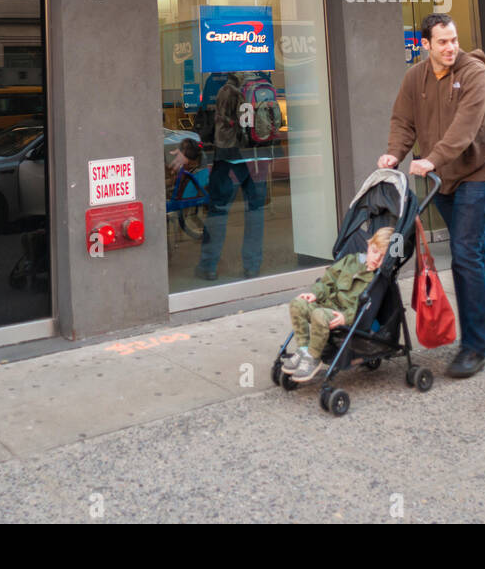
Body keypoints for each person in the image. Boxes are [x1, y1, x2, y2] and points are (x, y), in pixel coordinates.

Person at [379, 13, 485, 378]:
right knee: (478, 254)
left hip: (478, 174)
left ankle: (475, 346)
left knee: (465, 253)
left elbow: (464, 128)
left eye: (453, 39)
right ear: (426, 44)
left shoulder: (475, 74)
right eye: (442, 42)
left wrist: (431, 159)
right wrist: (395, 152)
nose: (451, 47)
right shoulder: (414, 78)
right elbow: (403, 121)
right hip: (442, 179)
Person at [282, 227, 394, 383]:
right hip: (328, 304)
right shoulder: (350, 261)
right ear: (368, 246)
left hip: (342, 315)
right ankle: (303, 349)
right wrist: (315, 294)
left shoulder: (378, 279)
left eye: (382, 257)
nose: (376, 258)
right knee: (297, 303)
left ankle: (313, 358)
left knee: (319, 314)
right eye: (374, 251)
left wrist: (346, 318)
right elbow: (328, 280)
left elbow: (366, 309)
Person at [196, 72, 268, 281]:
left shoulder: (219, 84)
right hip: (255, 157)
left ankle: (208, 266)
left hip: (227, 156)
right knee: (255, 211)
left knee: (218, 210)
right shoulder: (263, 79)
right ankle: (252, 266)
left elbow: (208, 123)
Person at [166, 139, 209, 243]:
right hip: (193, 194)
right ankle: (205, 234)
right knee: (191, 216)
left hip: (182, 198)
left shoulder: (184, 172)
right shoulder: (199, 168)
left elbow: (173, 183)